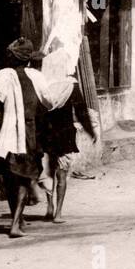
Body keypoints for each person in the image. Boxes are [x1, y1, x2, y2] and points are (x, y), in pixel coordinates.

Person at [0, 38, 73, 239]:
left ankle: (17, 221)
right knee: (25, 179)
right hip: (30, 135)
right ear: (29, 59)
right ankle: (16, 223)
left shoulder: (2, 76)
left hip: (6, 136)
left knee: (10, 177)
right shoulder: (37, 77)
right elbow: (48, 103)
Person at [38, 81, 96, 222]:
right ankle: (58, 213)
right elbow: (81, 111)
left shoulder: (42, 83)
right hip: (64, 134)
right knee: (61, 174)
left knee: (48, 172)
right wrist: (90, 130)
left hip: (45, 132)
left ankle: (50, 207)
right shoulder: (71, 85)